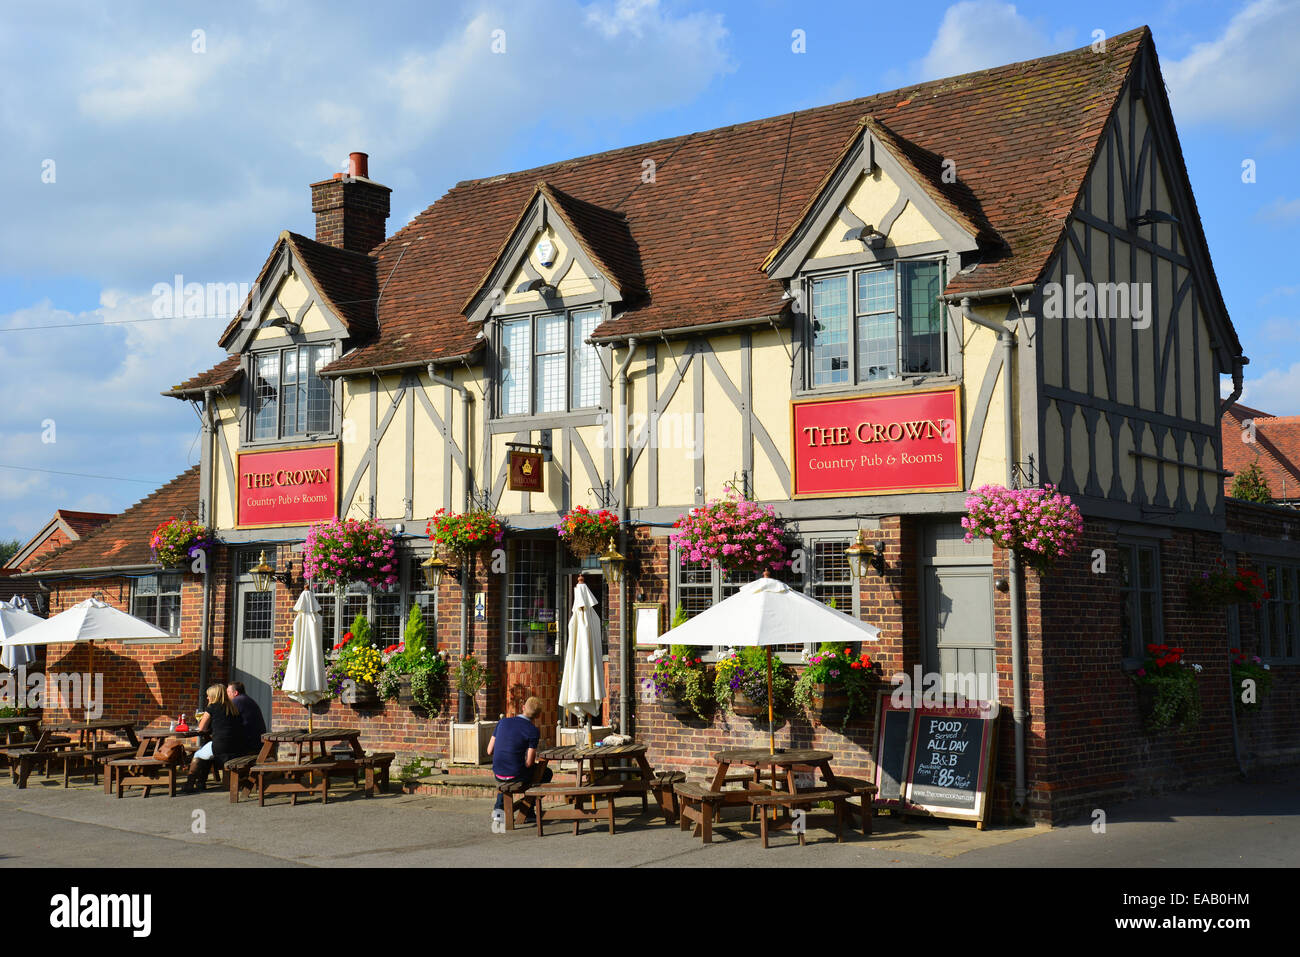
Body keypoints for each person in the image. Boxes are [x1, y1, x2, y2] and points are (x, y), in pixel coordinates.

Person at [487, 696, 552, 824]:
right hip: (515, 774)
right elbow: (529, 763)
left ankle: (499, 810)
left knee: (506, 777)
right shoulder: (533, 731)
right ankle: (528, 810)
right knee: (545, 773)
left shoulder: (503, 722)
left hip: (498, 772)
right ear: (538, 716)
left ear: (523, 708)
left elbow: (489, 751)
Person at [183, 684, 252, 793]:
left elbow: (201, 728)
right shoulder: (233, 708)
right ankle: (201, 783)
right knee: (207, 752)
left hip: (222, 747)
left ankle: (189, 784)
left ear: (214, 696)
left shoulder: (212, 707)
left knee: (198, 754)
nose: (207, 698)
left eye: (208, 695)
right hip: (238, 747)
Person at [226, 681, 267, 755]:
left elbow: (228, 720)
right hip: (258, 740)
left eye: (228, 692)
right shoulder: (247, 699)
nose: (226, 694)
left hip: (250, 743)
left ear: (235, 693)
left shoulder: (237, 701)